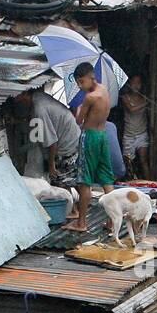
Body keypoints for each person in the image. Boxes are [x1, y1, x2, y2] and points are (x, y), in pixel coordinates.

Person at [14, 90, 81, 219]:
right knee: (71, 178)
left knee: (60, 179)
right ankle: (78, 206)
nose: (15, 98)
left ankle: (73, 210)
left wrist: (51, 165)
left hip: (66, 141)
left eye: (17, 95)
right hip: (71, 135)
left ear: (24, 94)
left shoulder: (39, 109)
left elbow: (52, 142)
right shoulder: (37, 98)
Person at [70, 61, 115, 232]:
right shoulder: (104, 90)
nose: (80, 86)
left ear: (90, 77)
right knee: (106, 178)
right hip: (103, 136)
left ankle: (81, 223)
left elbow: (79, 120)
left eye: (81, 82)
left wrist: (80, 107)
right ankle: (112, 221)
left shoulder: (90, 98)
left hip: (89, 138)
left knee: (85, 181)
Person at [120, 75, 150, 179]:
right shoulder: (125, 98)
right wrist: (146, 103)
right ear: (129, 84)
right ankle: (131, 183)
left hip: (142, 134)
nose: (136, 86)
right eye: (134, 83)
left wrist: (146, 101)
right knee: (129, 163)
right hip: (129, 135)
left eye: (138, 83)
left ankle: (150, 184)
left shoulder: (144, 97)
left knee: (143, 161)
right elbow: (131, 109)